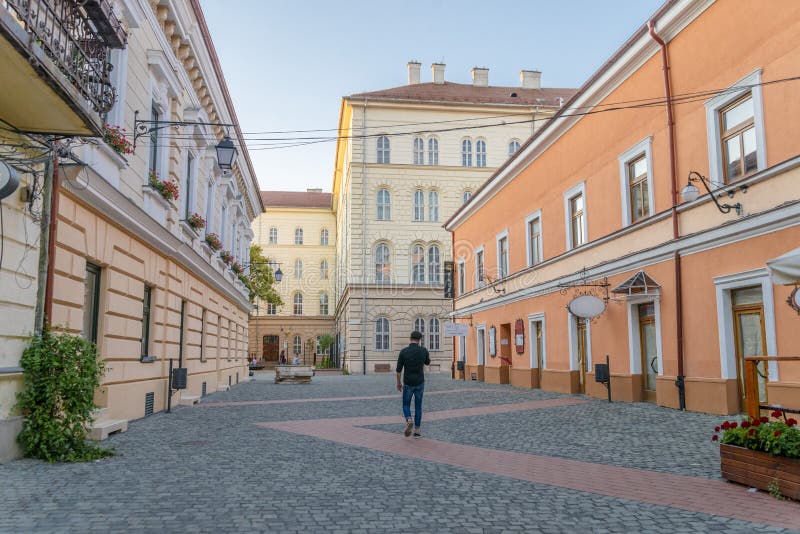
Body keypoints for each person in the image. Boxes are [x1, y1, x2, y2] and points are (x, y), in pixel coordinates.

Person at [396, 330, 430, 438]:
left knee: (406, 404)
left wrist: (398, 383)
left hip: (408, 383)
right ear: (419, 340)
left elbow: (398, 370)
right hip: (420, 382)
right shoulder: (423, 350)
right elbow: (427, 362)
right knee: (418, 406)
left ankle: (409, 419)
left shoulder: (404, 352)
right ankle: (417, 431)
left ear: (410, 338)